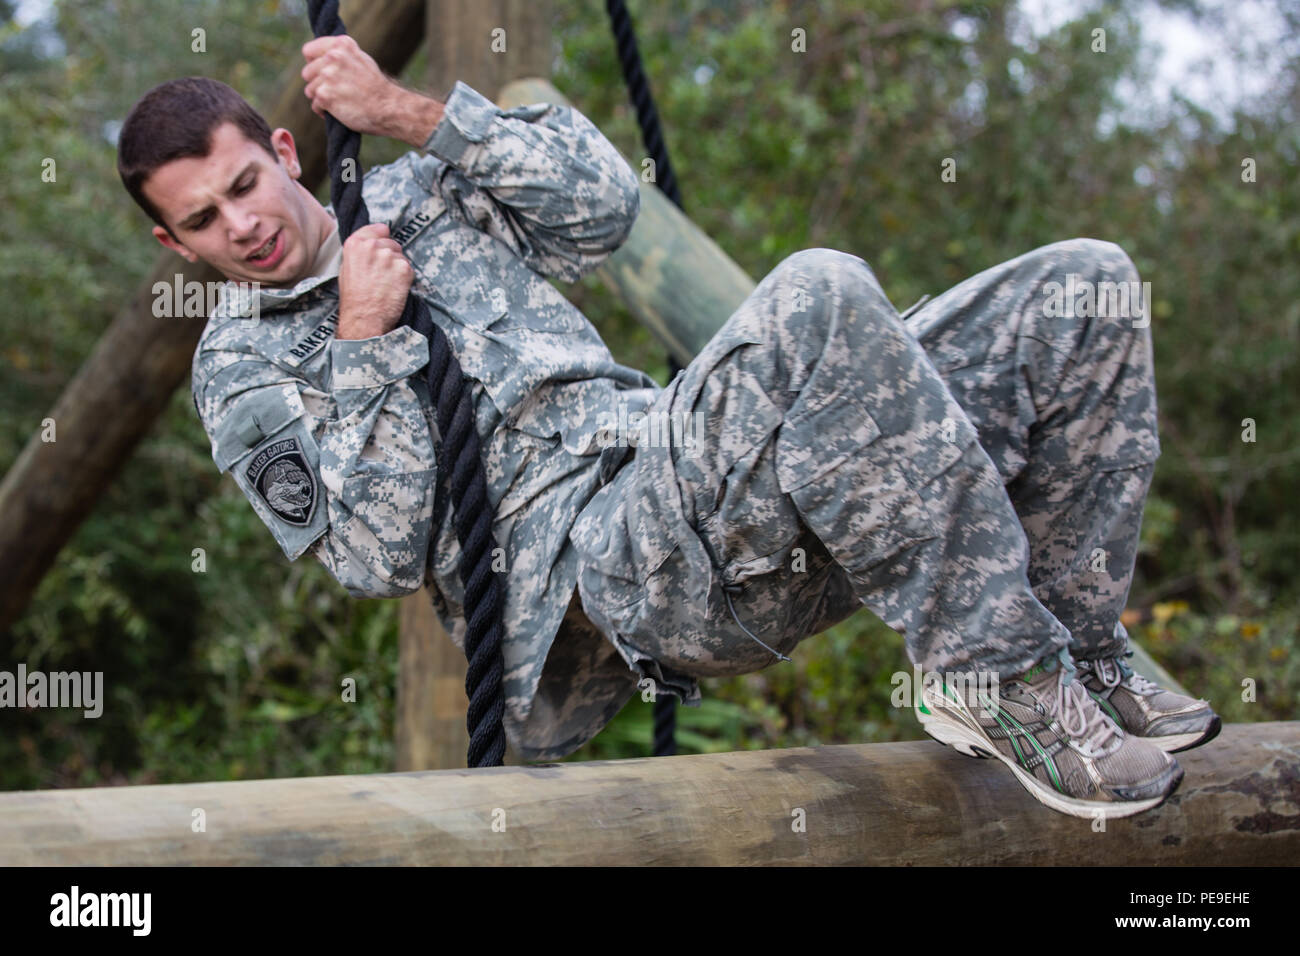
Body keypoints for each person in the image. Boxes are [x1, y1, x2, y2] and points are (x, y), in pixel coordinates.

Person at [116, 35, 1219, 819]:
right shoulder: (244, 367)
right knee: (818, 291)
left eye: (245, 183)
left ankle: (1073, 651)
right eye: (203, 219)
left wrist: (412, 114)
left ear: (284, 149)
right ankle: (997, 676)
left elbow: (603, 207)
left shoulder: (427, 191)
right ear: (176, 245)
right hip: (598, 575)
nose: (243, 224)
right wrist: (363, 339)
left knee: (1084, 287)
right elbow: (372, 557)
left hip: (684, 471)